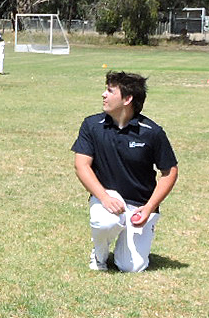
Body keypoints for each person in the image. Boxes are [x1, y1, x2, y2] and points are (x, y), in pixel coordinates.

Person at [72, 71, 179, 273]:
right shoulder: (92, 125)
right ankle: (100, 254)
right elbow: (81, 165)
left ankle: (129, 240)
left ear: (127, 99)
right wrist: (103, 197)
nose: (103, 94)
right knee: (105, 222)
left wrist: (148, 208)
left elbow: (170, 171)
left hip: (140, 206)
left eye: (110, 91)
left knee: (132, 267)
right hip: (107, 197)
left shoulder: (152, 132)